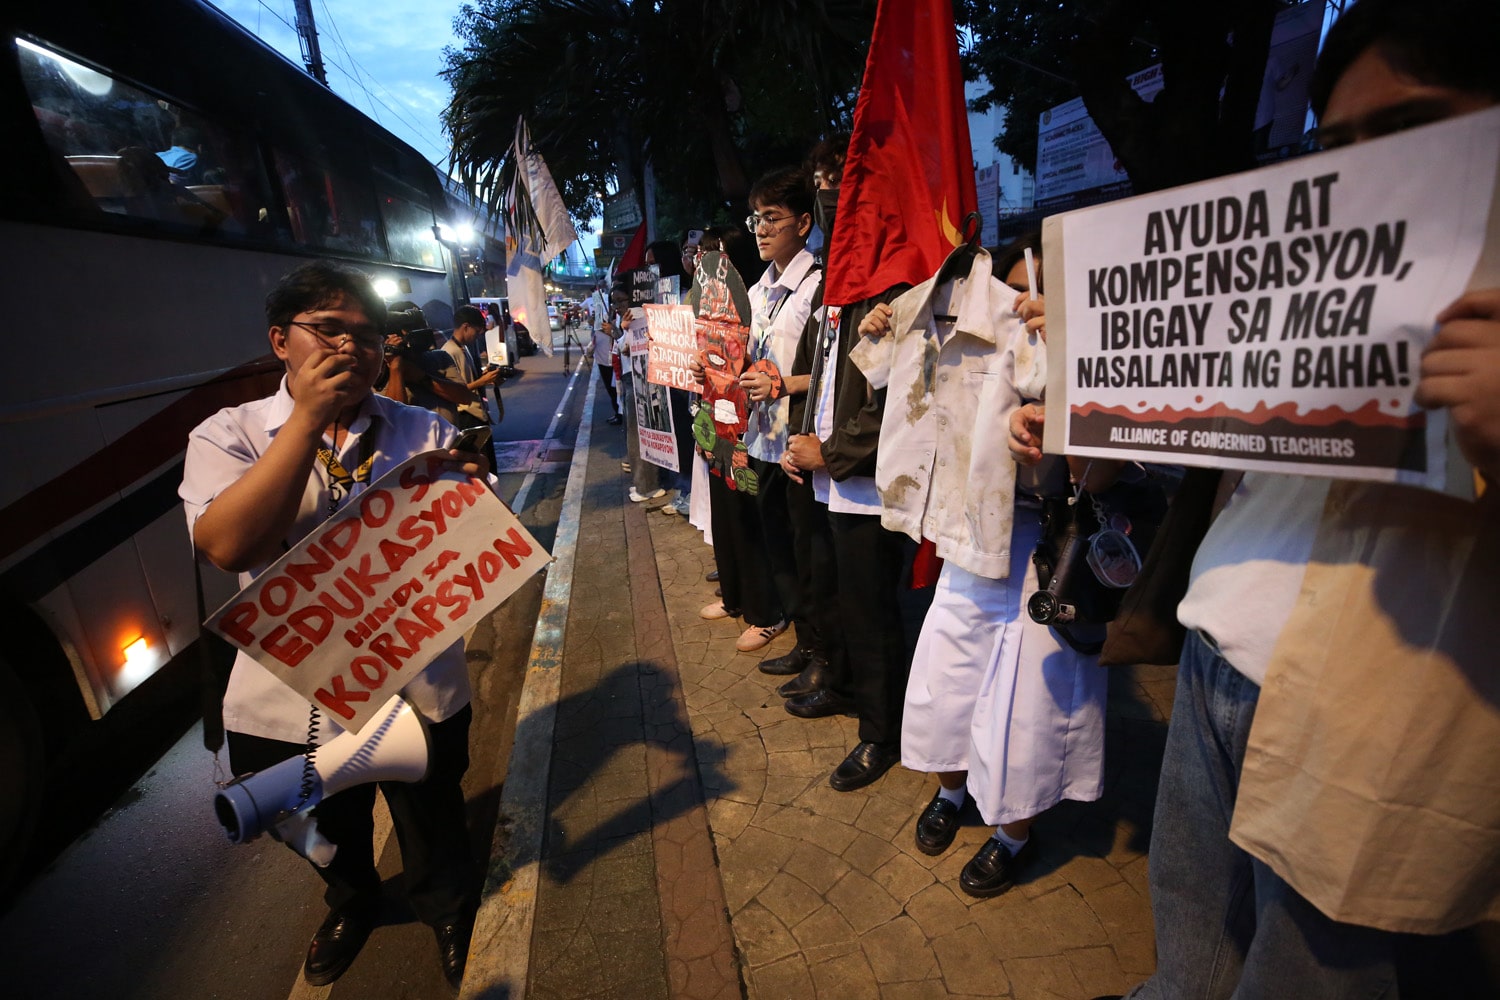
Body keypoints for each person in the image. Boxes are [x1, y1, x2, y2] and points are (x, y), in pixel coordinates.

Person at [1007, 2, 1500, 995]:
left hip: (1371, 729)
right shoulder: (1319, 281)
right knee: (1192, 943)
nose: (1362, 172)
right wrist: (1087, 408)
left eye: (1404, 133)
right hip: (1213, 661)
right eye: (1338, 144)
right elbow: (1206, 438)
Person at [180, 262, 488, 990]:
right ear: (280, 340)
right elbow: (229, 545)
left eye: (368, 335)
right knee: (326, 833)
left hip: (418, 685)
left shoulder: (424, 429)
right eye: (330, 330)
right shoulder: (227, 435)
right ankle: (352, 903)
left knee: (432, 812)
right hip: (286, 700)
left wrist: (470, 501)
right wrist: (307, 423)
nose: (354, 346)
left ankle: (446, 905)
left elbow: (466, 551)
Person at [860, 233, 1108, 887]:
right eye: (1015, 288)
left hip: (1048, 547)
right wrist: (885, 323)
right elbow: (873, 366)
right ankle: (950, 794)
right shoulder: (948, 319)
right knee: (947, 680)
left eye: (1040, 292)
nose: (1025, 305)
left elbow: (1109, 453)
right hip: (969, 537)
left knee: (1026, 709)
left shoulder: (1088, 351)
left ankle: (1013, 833)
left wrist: (1071, 351)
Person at [380, 302, 480, 428]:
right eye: (413, 328)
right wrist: (396, 368)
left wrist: (422, 378)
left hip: (449, 443)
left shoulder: (440, 358)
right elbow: (393, 417)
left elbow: (464, 397)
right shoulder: (382, 370)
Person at [444, 305, 503, 469]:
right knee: (479, 467)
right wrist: (483, 381)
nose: (477, 336)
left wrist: (486, 375)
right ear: (466, 326)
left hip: (477, 413)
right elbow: (454, 391)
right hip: (467, 416)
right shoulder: (449, 352)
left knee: (487, 464)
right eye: (477, 332)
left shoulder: (463, 348)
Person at [588, 282, 622, 424]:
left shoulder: (617, 315)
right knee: (610, 388)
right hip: (601, 357)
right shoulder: (598, 309)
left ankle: (620, 415)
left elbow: (618, 334)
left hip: (613, 358)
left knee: (616, 389)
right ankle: (617, 413)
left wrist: (607, 328)